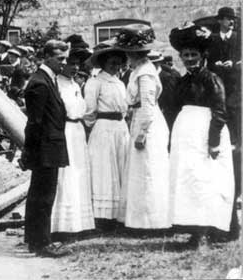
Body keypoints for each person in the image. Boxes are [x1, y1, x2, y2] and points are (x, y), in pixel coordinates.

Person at [168, 23, 235, 247]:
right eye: (185, 55)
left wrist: (213, 142)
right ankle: (194, 232)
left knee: (207, 181)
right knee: (189, 182)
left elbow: (220, 112)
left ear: (203, 55)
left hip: (205, 134)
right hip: (186, 137)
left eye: (193, 54)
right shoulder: (183, 80)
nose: (189, 58)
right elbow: (174, 107)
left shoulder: (211, 79)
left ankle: (207, 232)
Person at [117, 24, 170, 230]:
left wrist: (142, 133)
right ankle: (139, 220)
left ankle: (152, 221)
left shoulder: (145, 72)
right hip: (139, 117)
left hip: (148, 122)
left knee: (148, 170)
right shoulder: (138, 70)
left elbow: (148, 104)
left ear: (134, 52)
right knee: (140, 171)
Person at [20, 40, 69, 257]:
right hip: (45, 148)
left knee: (39, 194)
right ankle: (41, 243)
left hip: (49, 146)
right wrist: (29, 151)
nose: (63, 62)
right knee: (44, 196)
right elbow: (35, 122)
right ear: (47, 56)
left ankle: (34, 239)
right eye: (60, 58)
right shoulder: (40, 83)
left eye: (64, 58)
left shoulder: (47, 80)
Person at [50, 46, 95, 236]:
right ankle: (63, 225)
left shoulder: (75, 85)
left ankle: (80, 223)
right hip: (65, 131)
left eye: (77, 64)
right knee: (66, 175)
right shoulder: (57, 84)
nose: (75, 68)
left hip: (77, 131)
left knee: (79, 173)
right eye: (71, 64)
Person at [83, 45, 129, 226]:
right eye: (111, 63)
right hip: (103, 129)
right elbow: (89, 110)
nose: (115, 66)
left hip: (120, 128)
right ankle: (103, 216)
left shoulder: (120, 82)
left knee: (121, 166)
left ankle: (119, 214)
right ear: (103, 63)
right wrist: (94, 127)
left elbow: (124, 107)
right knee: (105, 170)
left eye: (118, 63)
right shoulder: (95, 82)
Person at [207, 6, 242, 239]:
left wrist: (236, 64)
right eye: (225, 20)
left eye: (230, 20)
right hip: (220, 86)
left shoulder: (239, 39)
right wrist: (217, 66)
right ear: (220, 21)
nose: (228, 23)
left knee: (237, 139)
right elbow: (208, 62)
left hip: (236, 90)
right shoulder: (213, 39)